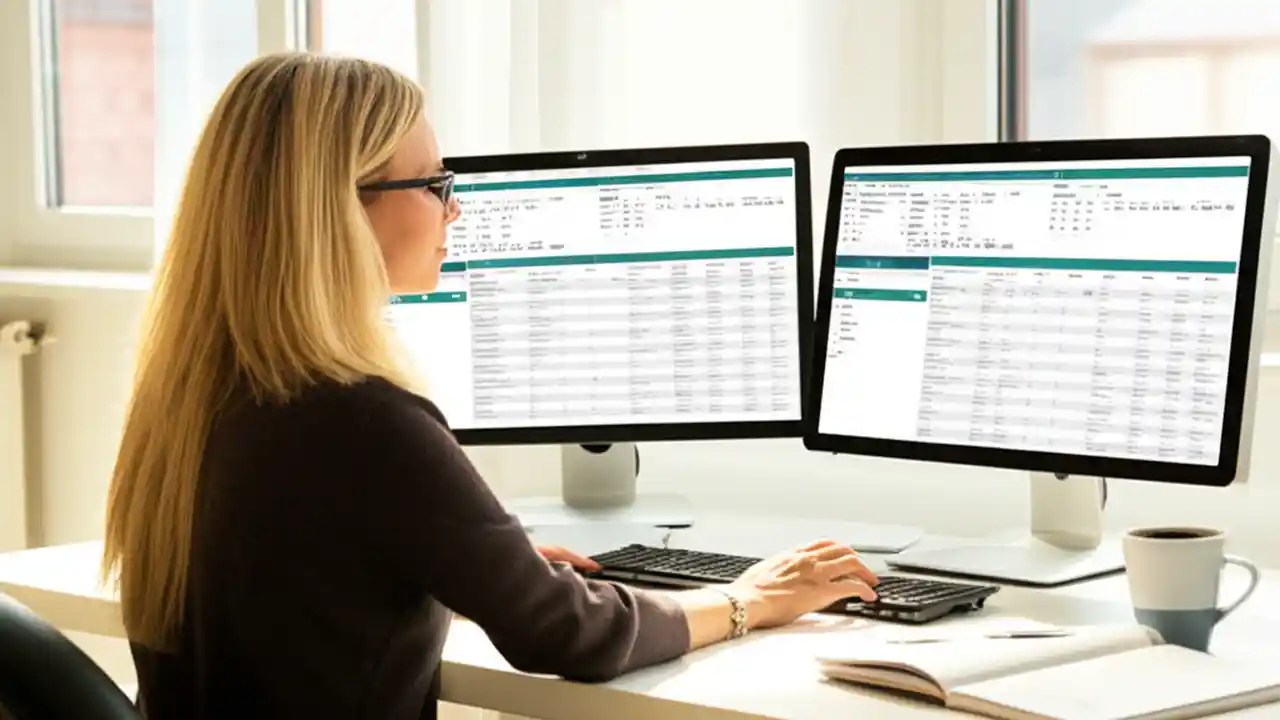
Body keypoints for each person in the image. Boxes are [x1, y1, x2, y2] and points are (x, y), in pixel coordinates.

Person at [101, 52, 879, 720]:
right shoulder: (363, 420)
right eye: (435, 183)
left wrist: (473, 557)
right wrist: (749, 602)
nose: (458, 208)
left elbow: (308, 574)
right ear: (341, 207)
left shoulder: (202, 394)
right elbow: (561, 634)